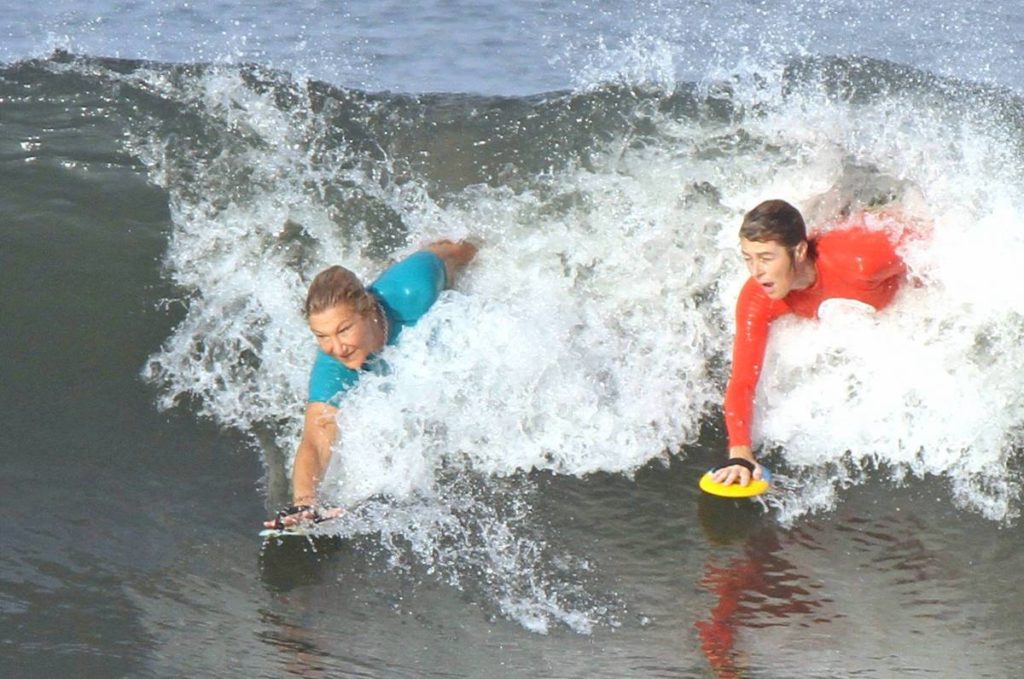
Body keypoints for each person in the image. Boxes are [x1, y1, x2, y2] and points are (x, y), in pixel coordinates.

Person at [264, 239, 478, 529]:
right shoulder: (333, 366)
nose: (336, 347)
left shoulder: (414, 288)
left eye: (343, 330)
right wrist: (305, 502)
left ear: (367, 312)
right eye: (322, 336)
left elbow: (459, 251)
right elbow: (316, 437)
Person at [714, 199, 908, 488]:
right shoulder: (758, 298)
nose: (756, 271)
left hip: (878, 234)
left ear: (800, 251)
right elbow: (742, 380)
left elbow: (931, 250)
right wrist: (740, 452)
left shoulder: (860, 262)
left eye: (767, 258)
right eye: (748, 258)